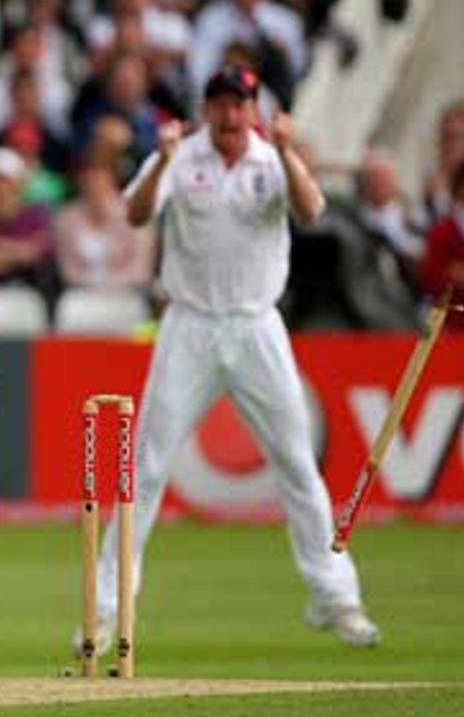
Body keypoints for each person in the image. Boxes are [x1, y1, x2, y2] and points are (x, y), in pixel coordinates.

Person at [77, 66, 381, 656]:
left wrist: (292, 154)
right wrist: (162, 161)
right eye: (219, 104)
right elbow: (137, 214)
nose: (229, 115)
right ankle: (107, 609)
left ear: (253, 110)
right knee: (146, 467)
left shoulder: (273, 160)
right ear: (207, 109)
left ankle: (336, 598)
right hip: (189, 324)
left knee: (296, 463)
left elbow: (312, 210)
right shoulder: (181, 155)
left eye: (238, 104)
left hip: (256, 325)